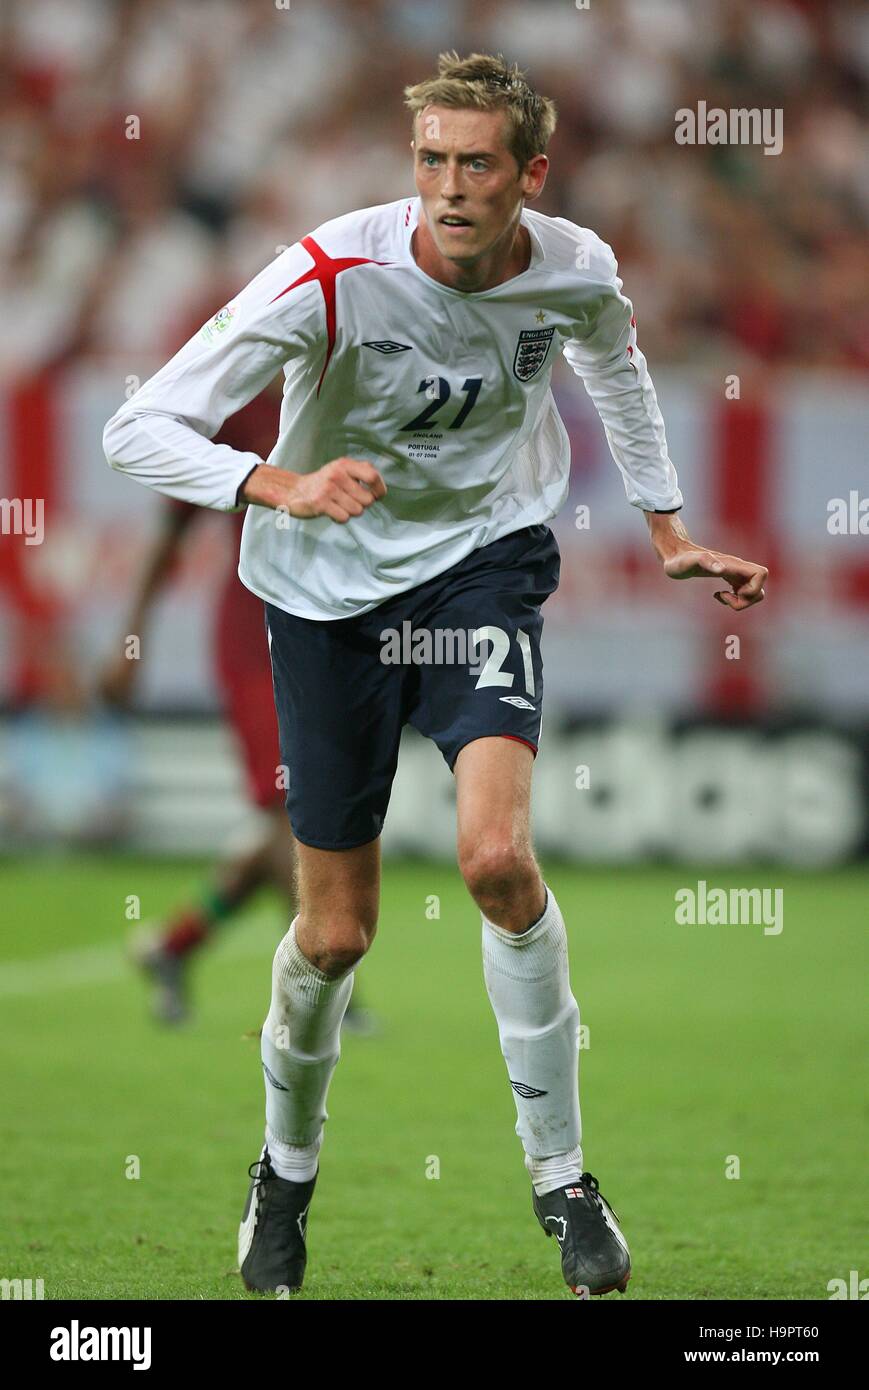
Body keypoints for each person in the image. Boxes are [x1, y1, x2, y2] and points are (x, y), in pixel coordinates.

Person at [103, 51, 767, 1298]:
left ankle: (563, 1179)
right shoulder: (331, 272)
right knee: (334, 930)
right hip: (320, 590)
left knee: (496, 862)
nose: (449, 189)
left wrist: (666, 528)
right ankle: (284, 1179)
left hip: (482, 567)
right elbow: (136, 427)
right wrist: (281, 483)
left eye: (475, 165)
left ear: (529, 175)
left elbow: (616, 369)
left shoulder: (573, 267)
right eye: (430, 162)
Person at [100, 384, 375, 1035]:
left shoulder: (365, 386)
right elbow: (172, 530)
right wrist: (129, 640)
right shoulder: (238, 408)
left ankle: (174, 947)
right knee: (289, 813)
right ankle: (320, 996)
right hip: (255, 637)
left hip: (334, 628)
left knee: (301, 818)